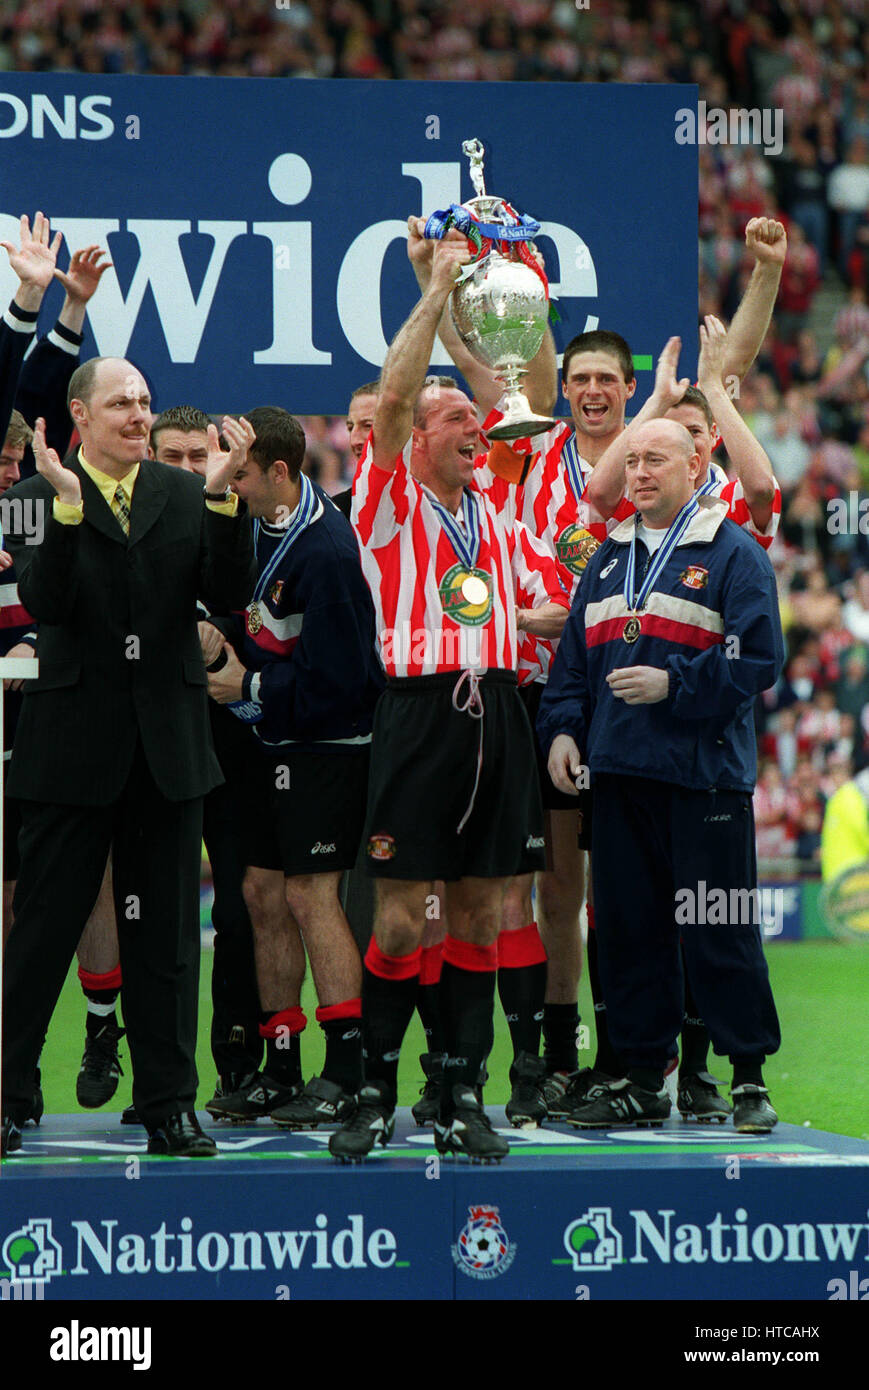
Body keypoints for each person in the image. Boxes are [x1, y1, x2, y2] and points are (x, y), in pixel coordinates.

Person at [330, 231, 567, 1162]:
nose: (477, 430)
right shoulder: (384, 505)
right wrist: (433, 288)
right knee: (398, 914)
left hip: (500, 716)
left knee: (478, 913)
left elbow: (545, 609)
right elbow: (392, 395)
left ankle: (459, 1088)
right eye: (455, 421)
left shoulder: (500, 518)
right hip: (421, 712)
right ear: (417, 438)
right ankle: (371, 1087)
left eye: (478, 422)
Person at [0, 357, 256, 1158]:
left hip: (170, 751)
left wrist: (221, 499)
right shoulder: (35, 497)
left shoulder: (190, 494)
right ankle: (9, 1095)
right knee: (40, 934)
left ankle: (168, 1105)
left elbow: (229, 589)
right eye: (121, 403)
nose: (138, 415)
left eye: (143, 402)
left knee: (171, 941)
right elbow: (46, 601)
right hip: (70, 749)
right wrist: (72, 515)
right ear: (80, 415)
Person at [537, 418, 784, 1135]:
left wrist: (673, 683)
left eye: (655, 459)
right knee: (628, 931)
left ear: (696, 462)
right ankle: (642, 1078)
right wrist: (559, 730)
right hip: (616, 775)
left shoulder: (733, 552)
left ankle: (745, 1079)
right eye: (632, 459)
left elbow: (757, 659)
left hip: (701, 778)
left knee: (718, 928)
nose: (639, 472)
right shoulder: (606, 558)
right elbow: (573, 669)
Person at [205, 405, 383, 1128]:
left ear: (277, 471)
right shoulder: (256, 524)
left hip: (327, 748)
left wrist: (245, 687)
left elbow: (341, 684)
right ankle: (281, 1063)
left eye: (239, 473)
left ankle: (346, 1069)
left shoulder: (329, 553)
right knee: (258, 892)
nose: (231, 485)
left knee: (313, 896)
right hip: (269, 742)